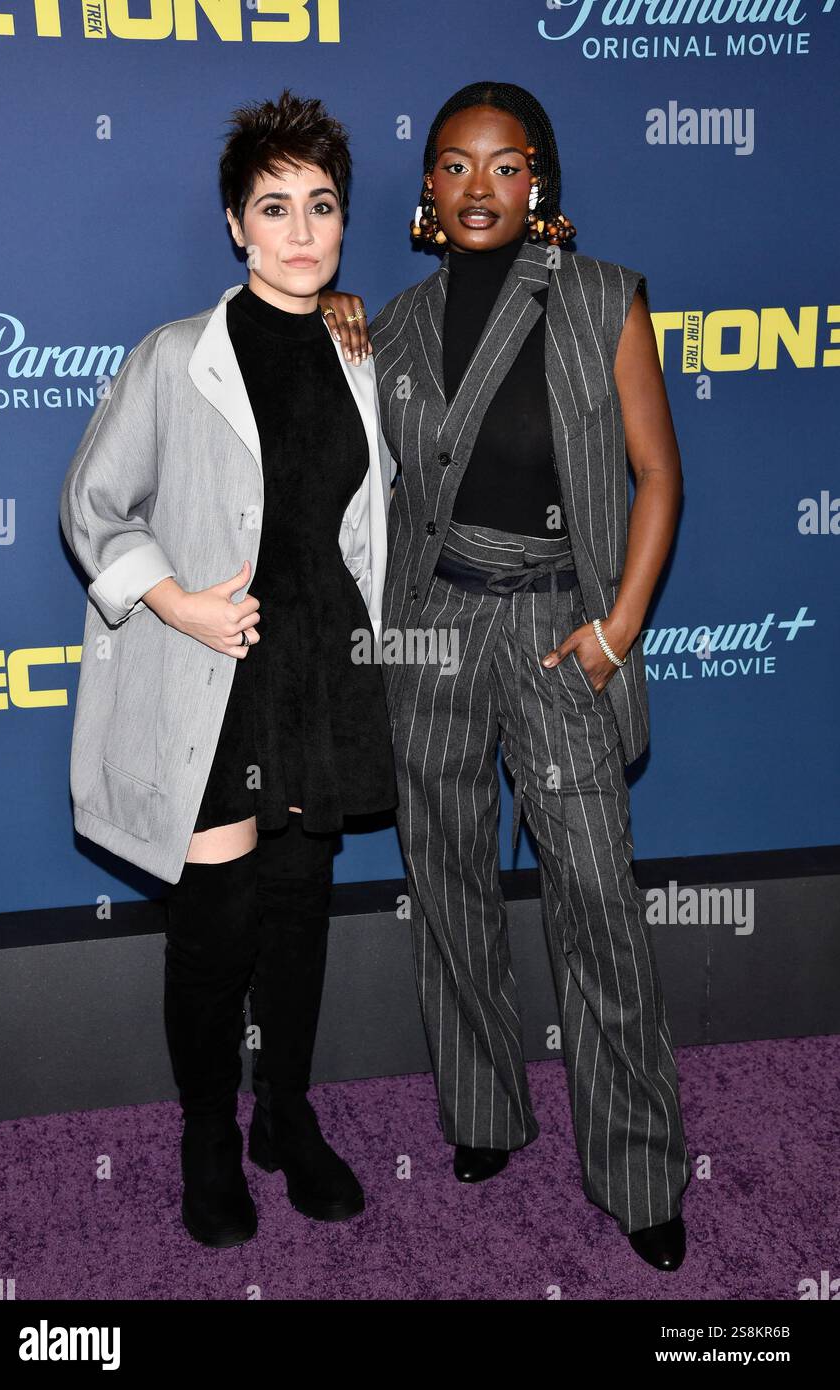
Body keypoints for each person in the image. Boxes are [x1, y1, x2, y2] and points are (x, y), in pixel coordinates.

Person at [320, 81, 692, 1271]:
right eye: (453, 166)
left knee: (597, 904)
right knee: (447, 885)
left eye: (505, 165)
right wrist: (338, 340)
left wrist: (617, 628)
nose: (479, 187)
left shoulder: (603, 299)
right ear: (425, 188)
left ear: (542, 183)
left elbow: (657, 476)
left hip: (555, 628)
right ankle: (483, 1114)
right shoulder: (398, 323)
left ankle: (637, 1168)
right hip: (430, 630)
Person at [59, 90, 397, 1248]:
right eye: (275, 207)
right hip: (215, 672)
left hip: (321, 674)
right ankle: (208, 1133)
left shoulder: (361, 347)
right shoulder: (171, 357)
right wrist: (175, 602)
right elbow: (92, 509)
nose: (301, 230)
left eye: (322, 206)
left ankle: (283, 1117)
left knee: (300, 914)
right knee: (216, 930)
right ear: (234, 224)